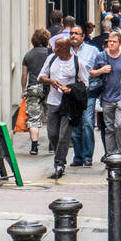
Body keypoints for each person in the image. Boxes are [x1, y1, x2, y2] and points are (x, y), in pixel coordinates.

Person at [38, 36, 91, 178]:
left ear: (66, 48)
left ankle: (59, 163)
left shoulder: (77, 62)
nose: (55, 50)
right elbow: (41, 76)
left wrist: (71, 89)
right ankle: (59, 155)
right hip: (53, 101)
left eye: (58, 47)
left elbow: (85, 83)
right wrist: (51, 81)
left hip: (69, 104)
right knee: (52, 134)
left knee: (63, 135)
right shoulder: (51, 59)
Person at [91, 30, 121, 157]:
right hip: (107, 96)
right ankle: (111, 155)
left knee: (120, 124)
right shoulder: (101, 56)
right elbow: (92, 72)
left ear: (119, 43)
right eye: (109, 42)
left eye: (114, 42)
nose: (111, 44)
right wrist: (101, 70)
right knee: (109, 128)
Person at [68, 25, 102, 166]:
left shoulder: (93, 51)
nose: (73, 36)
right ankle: (78, 156)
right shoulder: (65, 51)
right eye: (71, 33)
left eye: (76, 34)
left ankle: (87, 156)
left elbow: (100, 69)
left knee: (87, 123)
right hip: (72, 94)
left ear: (83, 37)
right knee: (75, 124)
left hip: (88, 92)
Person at [20, 29, 51, 155]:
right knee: (51, 117)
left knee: (33, 118)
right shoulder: (50, 53)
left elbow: (24, 75)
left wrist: (23, 89)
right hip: (49, 87)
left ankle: (34, 146)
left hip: (33, 87)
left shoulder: (28, 55)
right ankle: (52, 145)